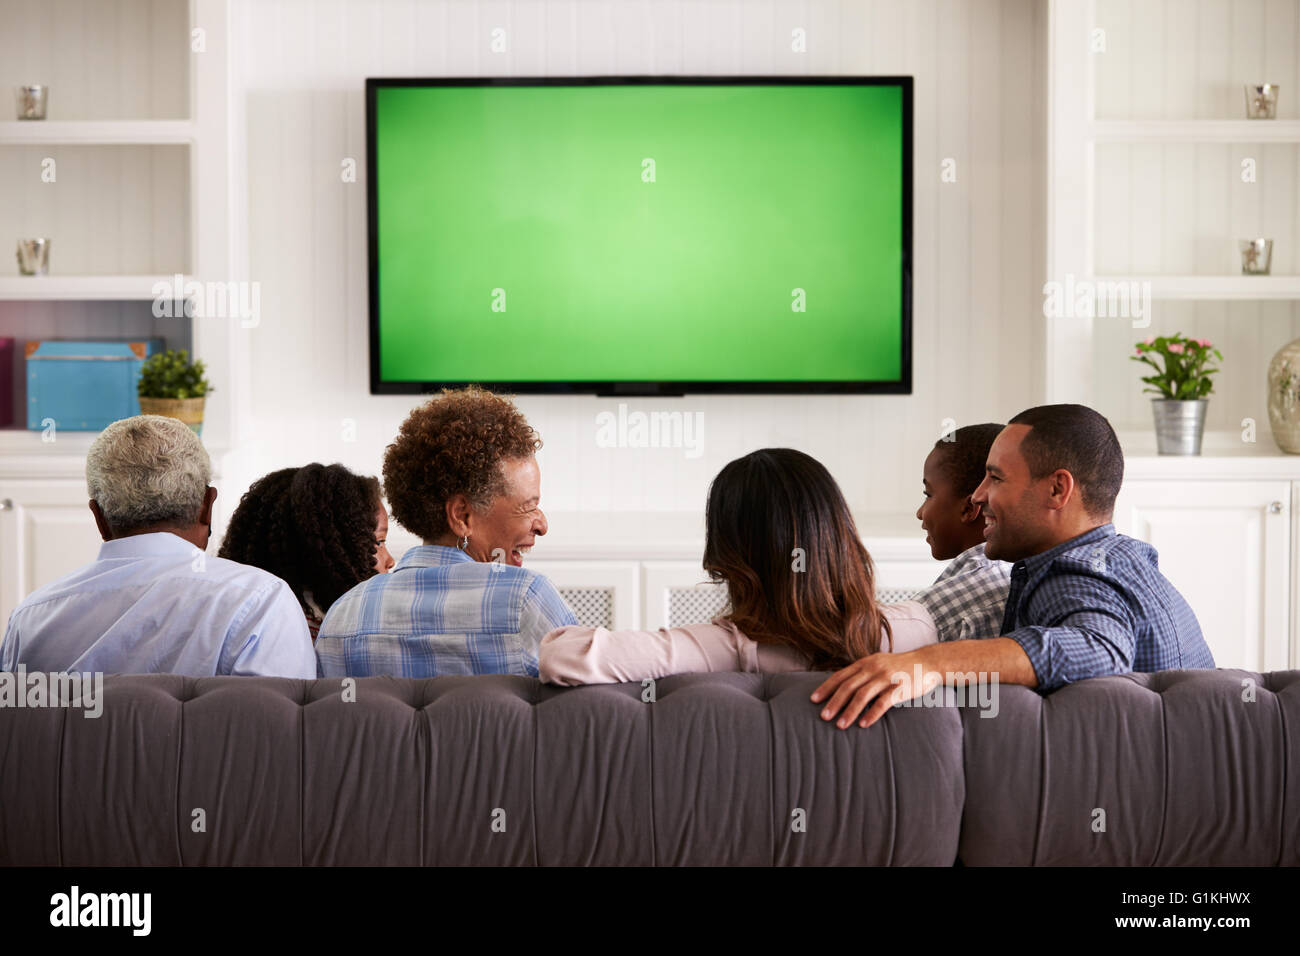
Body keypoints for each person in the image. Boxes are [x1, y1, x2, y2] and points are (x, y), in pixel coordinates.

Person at [813, 404, 1214, 730]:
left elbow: (1099, 650)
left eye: (995, 478)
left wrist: (928, 664)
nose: (979, 494)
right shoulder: (1115, 558)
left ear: (1058, 489)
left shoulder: (1074, 571)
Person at [540, 448, 937, 685]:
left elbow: (561, 656)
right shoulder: (915, 631)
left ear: (729, 556)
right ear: (841, 539)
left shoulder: (720, 649)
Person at [0, 415, 315, 677]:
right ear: (208, 506)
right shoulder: (260, 602)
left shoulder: (29, 619)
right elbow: (279, 743)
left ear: (99, 518)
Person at [315, 386, 577, 677]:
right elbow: (591, 715)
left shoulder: (342, 617)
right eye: (528, 507)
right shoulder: (528, 602)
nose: (541, 525)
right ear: (462, 516)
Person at [217, 463, 394, 641]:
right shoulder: (334, 636)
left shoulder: (238, 615)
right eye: (379, 542)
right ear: (332, 552)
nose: (390, 560)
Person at [913, 423, 1012, 643]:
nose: (920, 513)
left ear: (969, 509)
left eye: (928, 494)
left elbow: (872, 638)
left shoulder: (983, 575)